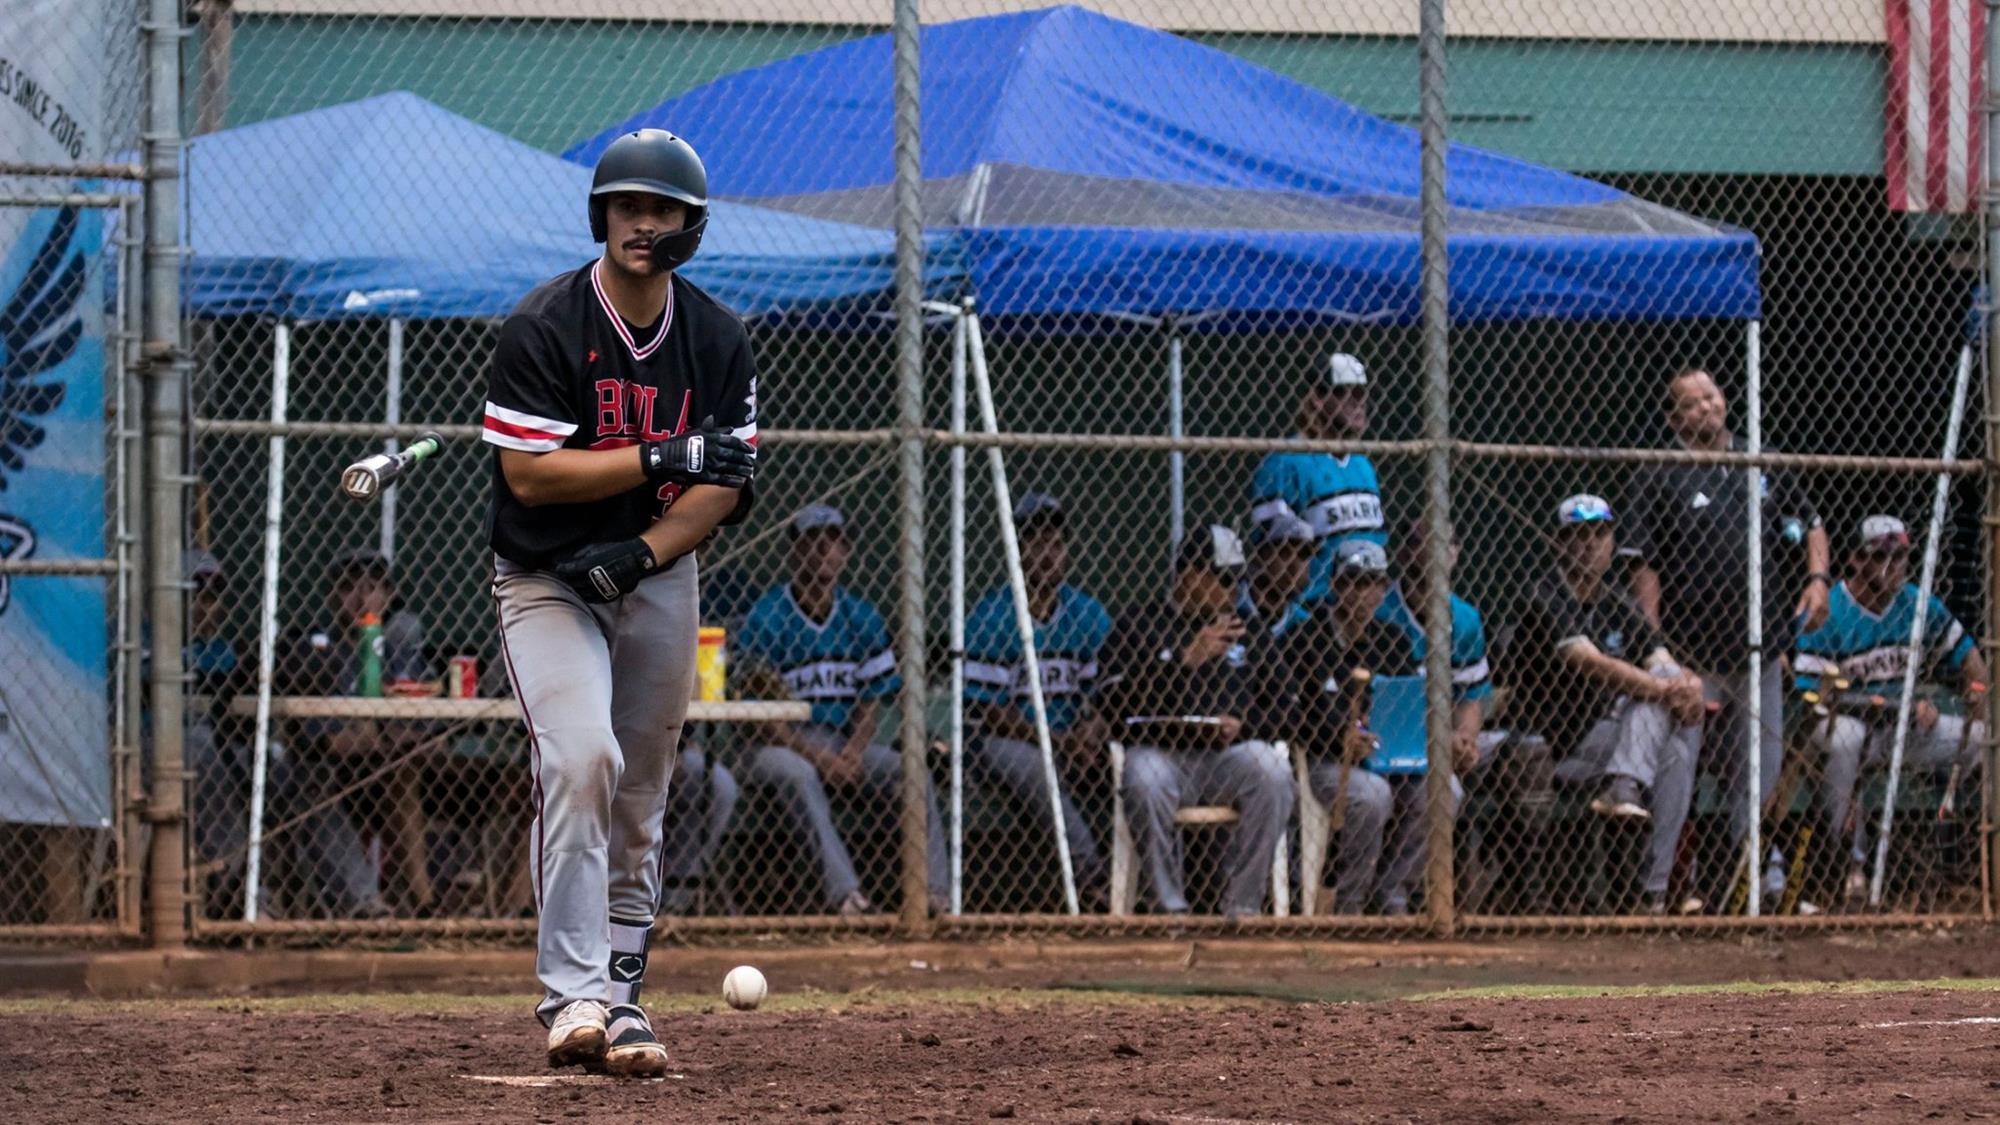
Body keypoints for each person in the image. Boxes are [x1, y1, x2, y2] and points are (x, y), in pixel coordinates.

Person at [483, 128, 759, 1076]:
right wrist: (655, 457)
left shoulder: (716, 336)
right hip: (545, 577)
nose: (643, 222)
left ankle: (624, 999)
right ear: (600, 215)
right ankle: (572, 995)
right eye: (627, 206)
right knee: (582, 759)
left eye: (663, 209)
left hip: (655, 574)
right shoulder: (545, 325)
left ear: (692, 225)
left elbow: (723, 484)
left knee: (640, 791)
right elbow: (526, 476)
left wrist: (642, 549)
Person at [1621, 366, 1829, 882]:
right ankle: (1661, 884)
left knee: (1757, 772)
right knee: (1680, 771)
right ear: (1673, 417)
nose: (1706, 409)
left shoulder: (1760, 461)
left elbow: (1813, 524)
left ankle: (1756, 879)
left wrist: (1818, 578)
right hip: (1692, 658)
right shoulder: (1658, 471)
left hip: (1760, 653)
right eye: (1691, 403)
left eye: (1711, 397)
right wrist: (1656, 645)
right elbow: (1643, 566)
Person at [736, 504, 949, 914]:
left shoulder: (861, 615)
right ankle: (847, 898)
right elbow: (761, 717)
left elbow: (871, 700)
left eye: (833, 542)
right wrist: (820, 758)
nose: (822, 552)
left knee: (910, 771)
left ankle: (933, 896)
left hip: (842, 741)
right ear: (793, 553)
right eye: (811, 543)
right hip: (779, 747)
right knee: (797, 774)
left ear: (845, 553)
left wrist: (853, 750)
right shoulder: (767, 616)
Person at [1510, 495, 1704, 914]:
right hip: (1558, 746)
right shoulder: (1543, 595)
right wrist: (1665, 688)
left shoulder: (1619, 602)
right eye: (1578, 536)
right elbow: (1591, 663)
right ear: (1560, 543)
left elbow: (1662, 660)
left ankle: (1653, 891)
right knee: (1655, 704)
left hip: (1615, 745)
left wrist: (1689, 685)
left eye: (1599, 534)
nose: (1589, 545)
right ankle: (1626, 789)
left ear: (1613, 542)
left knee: (1674, 750)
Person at [1096, 524, 1295, 917]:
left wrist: (1246, 726)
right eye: (1223, 579)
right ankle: (1170, 911)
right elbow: (1112, 702)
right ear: (1190, 575)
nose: (1234, 590)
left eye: (1238, 579)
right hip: (1164, 755)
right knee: (1142, 779)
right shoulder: (1141, 622)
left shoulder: (1246, 628)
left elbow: (1286, 704)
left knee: (1273, 771)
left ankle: (1243, 908)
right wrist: (1185, 660)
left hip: (1226, 760)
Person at [1795, 515, 1989, 905]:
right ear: (1855, 561)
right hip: (1844, 726)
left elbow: (1971, 662)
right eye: (1881, 555)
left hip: (1909, 731)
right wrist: (1895, 707)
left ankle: (1976, 857)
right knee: (1845, 740)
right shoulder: (1828, 610)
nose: (1894, 565)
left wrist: (1979, 702)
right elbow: (1812, 697)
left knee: (1986, 741)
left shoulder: (1918, 604)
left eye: (1901, 555)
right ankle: (1848, 868)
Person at [965, 493, 1114, 906]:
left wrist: (1090, 733)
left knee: (1129, 760)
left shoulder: (1087, 613)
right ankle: (1093, 877)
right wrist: (1059, 742)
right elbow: (990, 713)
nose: (1046, 553)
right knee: (1035, 765)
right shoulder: (991, 614)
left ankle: (1138, 884)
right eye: (1034, 542)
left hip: (1072, 741)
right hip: (1001, 744)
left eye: (1055, 542)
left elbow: (1106, 696)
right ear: (1015, 547)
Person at [273, 549, 430, 920]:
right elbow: (325, 740)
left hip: (388, 769)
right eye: (347, 589)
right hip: (331, 771)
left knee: (403, 777)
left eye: (372, 588)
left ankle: (426, 908)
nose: (360, 599)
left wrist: (376, 734)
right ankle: (368, 904)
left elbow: (420, 729)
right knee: (313, 788)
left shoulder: (396, 641)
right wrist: (378, 733)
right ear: (331, 596)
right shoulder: (316, 648)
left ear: (388, 595)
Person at [1292, 537, 1429, 914]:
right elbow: (1291, 717)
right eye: (1352, 580)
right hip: (1327, 759)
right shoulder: (1306, 639)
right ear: (1335, 584)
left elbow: (1410, 705)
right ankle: (1350, 904)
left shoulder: (1393, 640)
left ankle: (1391, 893)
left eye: (1372, 582)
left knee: (1442, 789)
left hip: (1388, 754)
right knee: (1372, 797)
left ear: (1384, 589)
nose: (1362, 592)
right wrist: (1339, 736)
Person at [1250, 352, 1388, 607]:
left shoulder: (1362, 464)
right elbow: (1271, 558)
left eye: (1363, 394)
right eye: (1349, 393)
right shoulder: (1286, 461)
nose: (1360, 403)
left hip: (1370, 614)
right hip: (1314, 612)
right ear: (1318, 398)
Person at [1376, 519, 1491, 775]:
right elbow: (1389, 709)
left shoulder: (1466, 619)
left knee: (1526, 752)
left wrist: (1464, 739)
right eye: (1421, 543)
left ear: (1456, 553)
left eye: (1443, 543)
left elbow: (1471, 698)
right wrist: (1441, 740)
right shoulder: (1379, 611)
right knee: (1448, 792)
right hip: (1393, 740)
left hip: (1448, 736)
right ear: (1404, 553)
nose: (1433, 550)